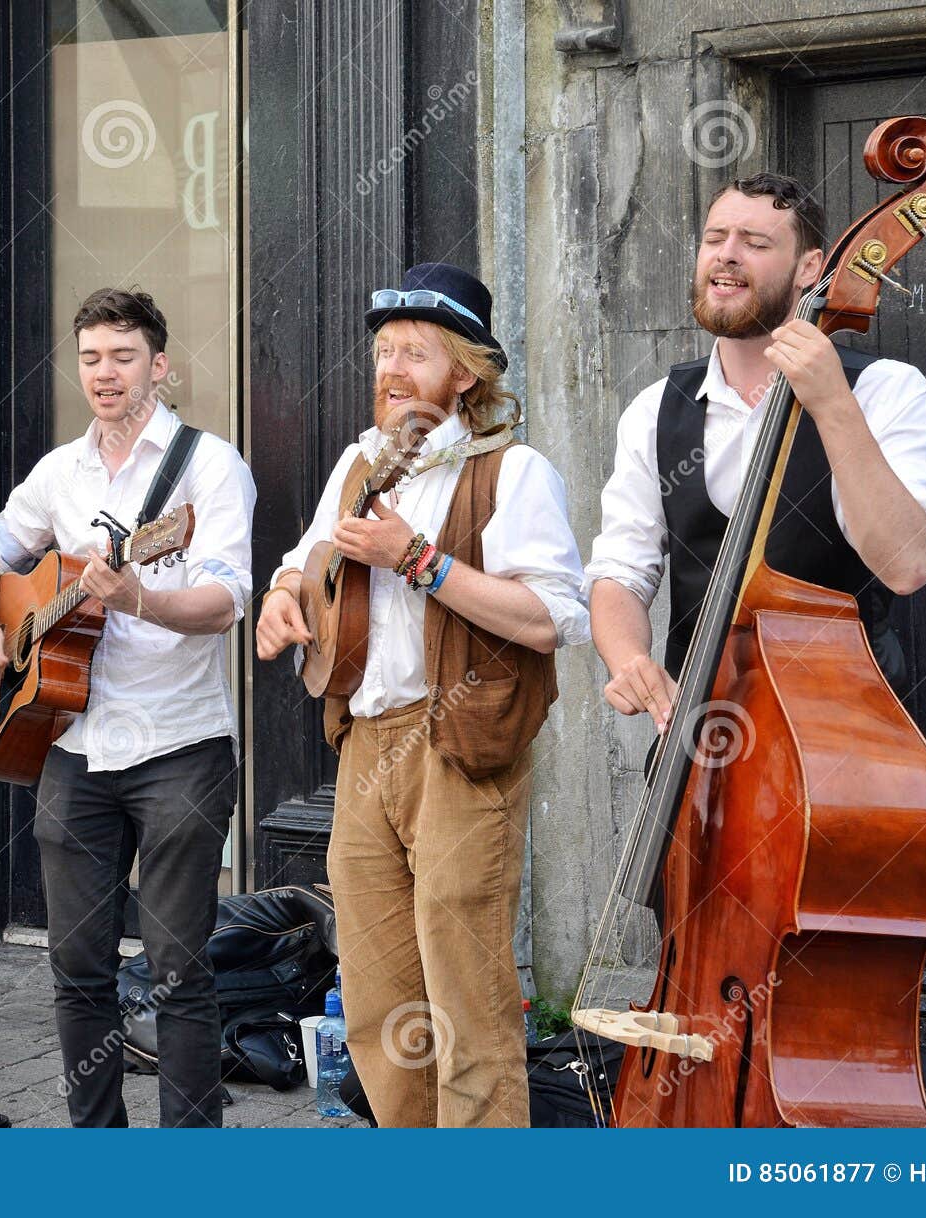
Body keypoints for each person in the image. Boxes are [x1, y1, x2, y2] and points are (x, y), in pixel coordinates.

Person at [256, 262, 589, 1128]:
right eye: (384, 352)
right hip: (366, 747)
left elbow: (552, 619)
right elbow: (302, 565)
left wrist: (420, 560)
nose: (391, 370)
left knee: (466, 1002)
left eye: (415, 352)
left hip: (462, 746)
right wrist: (281, 603)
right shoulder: (358, 465)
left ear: (467, 372)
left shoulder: (514, 473)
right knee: (376, 1003)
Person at [0, 287, 255, 1127]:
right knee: (76, 964)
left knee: (178, 969)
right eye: (91, 357)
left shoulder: (209, 467)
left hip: (180, 746)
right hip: (72, 743)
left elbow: (226, 602)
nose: (105, 373)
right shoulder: (59, 472)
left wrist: (134, 599)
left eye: (123, 356)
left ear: (160, 366)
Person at [586, 172, 926, 730]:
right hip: (701, 738)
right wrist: (629, 657)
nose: (726, 257)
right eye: (714, 239)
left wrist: (832, 405)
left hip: (843, 737)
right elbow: (621, 568)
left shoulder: (884, 391)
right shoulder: (655, 408)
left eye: (755, 244)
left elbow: (906, 566)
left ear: (810, 267)